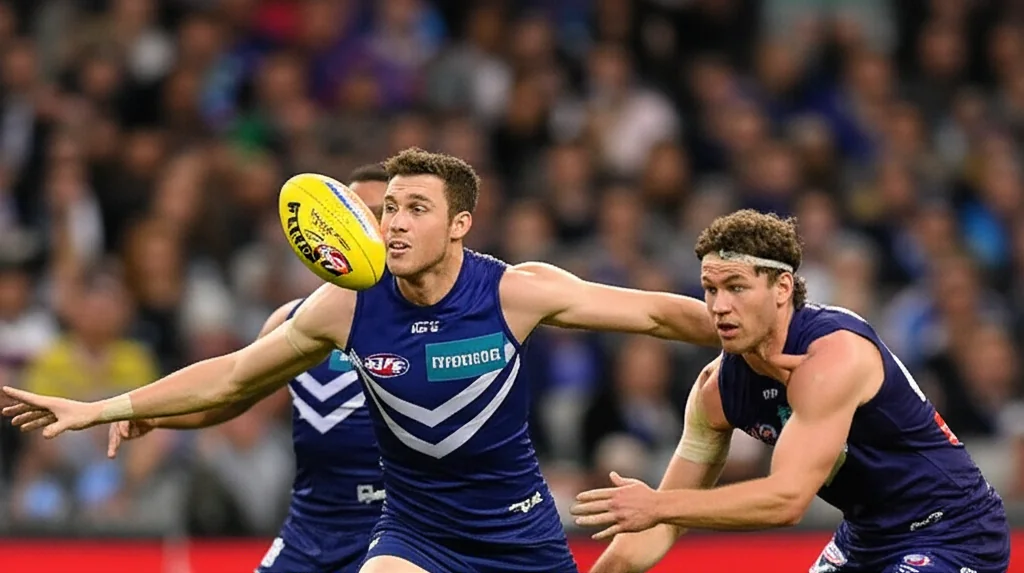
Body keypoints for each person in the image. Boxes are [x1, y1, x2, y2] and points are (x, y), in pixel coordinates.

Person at [2, 148, 757, 573]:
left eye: (414, 209)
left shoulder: (517, 291)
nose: (393, 222)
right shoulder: (343, 306)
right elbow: (234, 377)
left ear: (460, 224)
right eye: (388, 207)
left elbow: (661, 313)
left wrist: (760, 334)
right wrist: (109, 405)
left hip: (518, 535)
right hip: (412, 536)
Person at [572, 210, 1010, 573]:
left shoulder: (834, 355)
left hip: (953, 530)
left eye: (737, 287)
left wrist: (659, 506)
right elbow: (656, 527)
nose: (719, 306)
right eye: (710, 289)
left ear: (782, 288)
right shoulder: (716, 391)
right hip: (866, 538)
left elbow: (786, 500)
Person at [106, 163, 391, 573]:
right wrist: (162, 414)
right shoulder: (297, 321)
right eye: (352, 215)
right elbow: (231, 391)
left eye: (379, 215)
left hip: (401, 532)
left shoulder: (438, 325)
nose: (362, 230)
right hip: (314, 533)